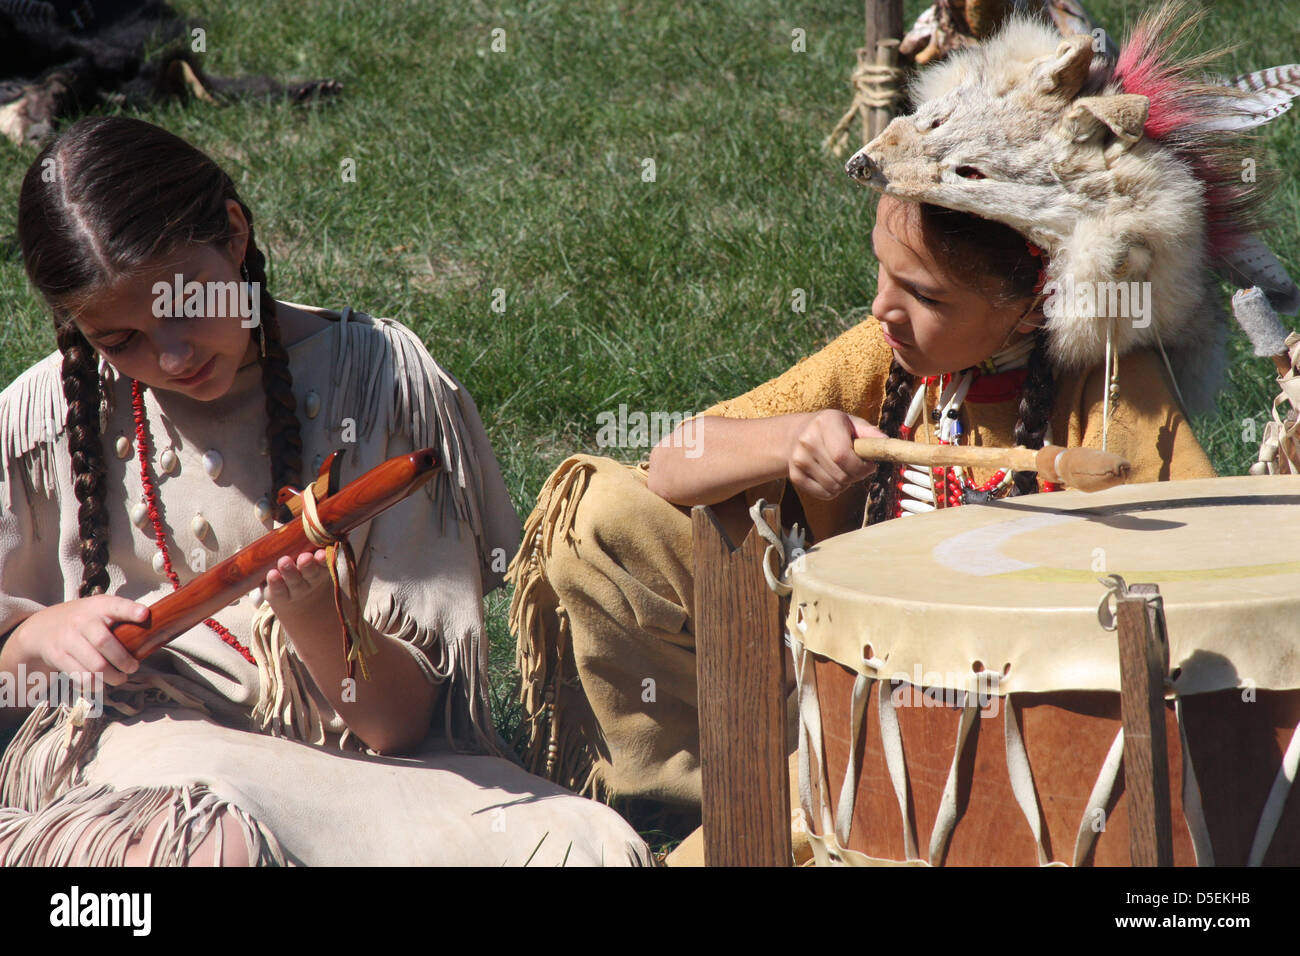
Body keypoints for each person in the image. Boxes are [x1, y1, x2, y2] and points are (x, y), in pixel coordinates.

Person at [0, 116, 651, 866]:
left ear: (235, 234)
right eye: (121, 341)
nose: (172, 356)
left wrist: (316, 618)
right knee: (206, 846)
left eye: (185, 306)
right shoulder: (43, 419)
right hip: (154, 750)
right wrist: (36, 639)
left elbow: (400, 728)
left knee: (577, 847)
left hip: (363, 770)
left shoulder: (380, 384)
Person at [507, 195, 1219, 822]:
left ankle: (812, 807)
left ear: (1038, 302)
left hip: (1029, 717)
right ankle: (713, 789)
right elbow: (672, 462)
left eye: (925, 296)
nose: (882, 306)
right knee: (604, 513)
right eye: (882, 269)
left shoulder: (1113, 390)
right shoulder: (882, 358)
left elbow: (1206, 569)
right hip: (842, 687)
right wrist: (791, 438)